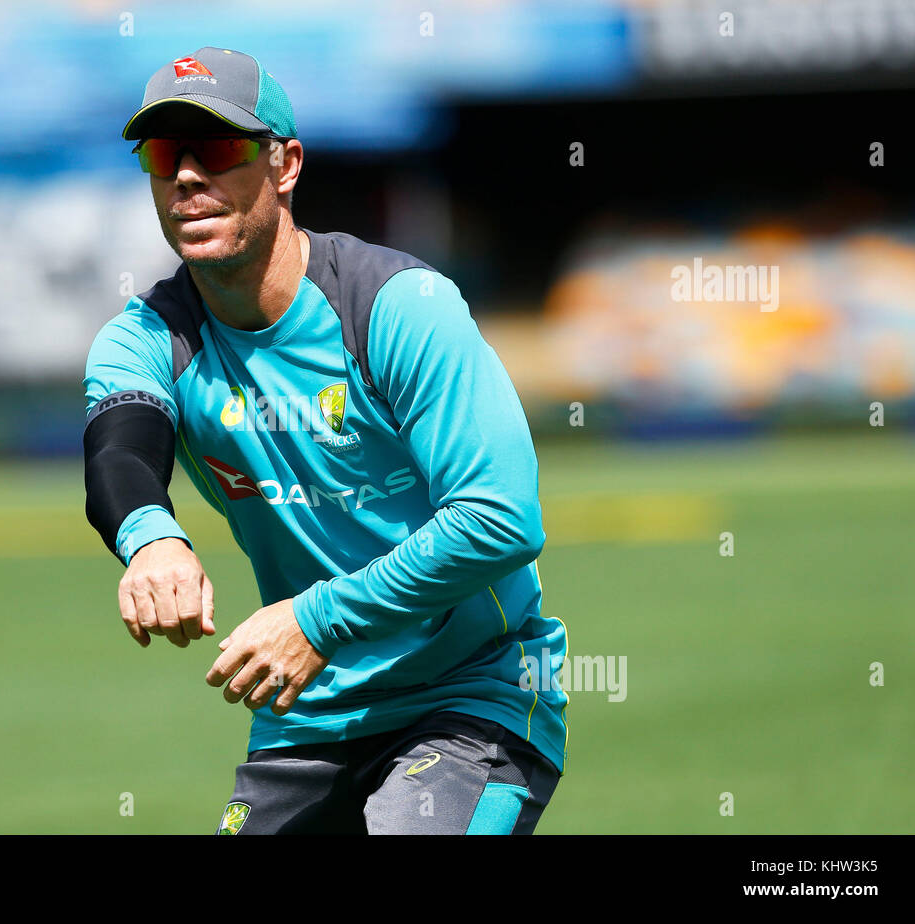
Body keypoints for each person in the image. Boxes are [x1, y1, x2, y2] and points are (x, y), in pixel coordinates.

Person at [83, 47, 567, 834]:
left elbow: (501, 518)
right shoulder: (145, 335)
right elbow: (121, 448)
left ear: (286, 165)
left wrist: (316, 620)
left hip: (474, 692)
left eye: (219, 148)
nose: (188, 177)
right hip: (308, 717)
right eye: (165, 154)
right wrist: (151, 540)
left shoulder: (397, 307)